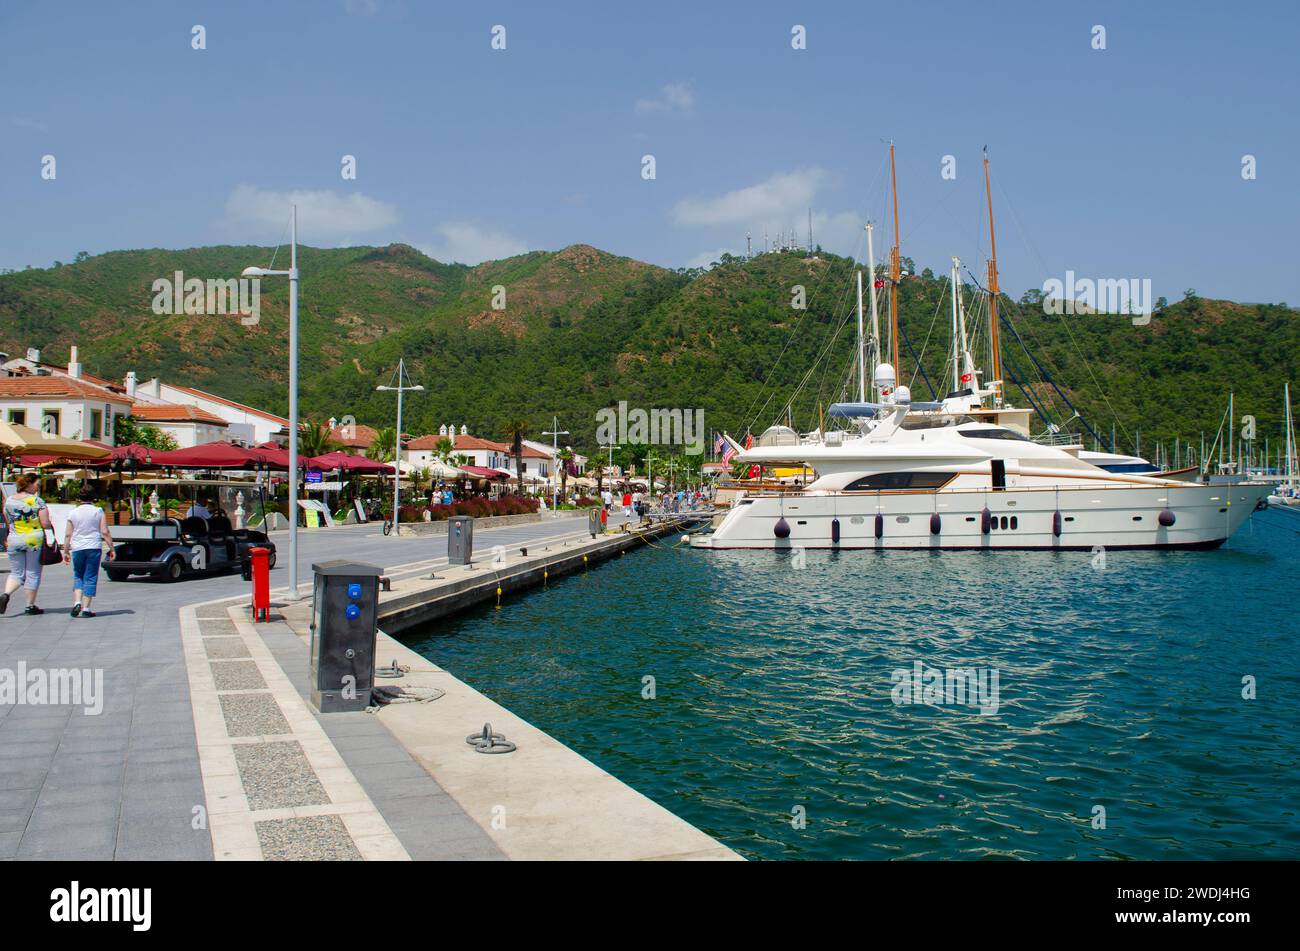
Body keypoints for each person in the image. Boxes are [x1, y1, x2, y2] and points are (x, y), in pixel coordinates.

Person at [2, 473, 54, 616]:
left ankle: (6, 594)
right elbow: (45, 523)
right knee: (32, 573)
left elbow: (8, 521)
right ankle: (30, 606)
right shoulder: (37, 501)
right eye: (37, 485)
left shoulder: (9, 501)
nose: (38, 488)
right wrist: (50, 524)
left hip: (14, 539)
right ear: (29, 484)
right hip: (33, 541)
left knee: (16, 573)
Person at [64, 486, 115, 618]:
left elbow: (68, 534)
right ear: (93, 497)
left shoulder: (73, 512)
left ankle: (77, 602)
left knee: (78, 575)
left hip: (78, 547)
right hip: (93, 546)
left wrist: (65, 551)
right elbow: (105, 531)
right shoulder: (98, 511)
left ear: (79, 498)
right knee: (90, 576)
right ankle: (86, 608)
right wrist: (111, 547)